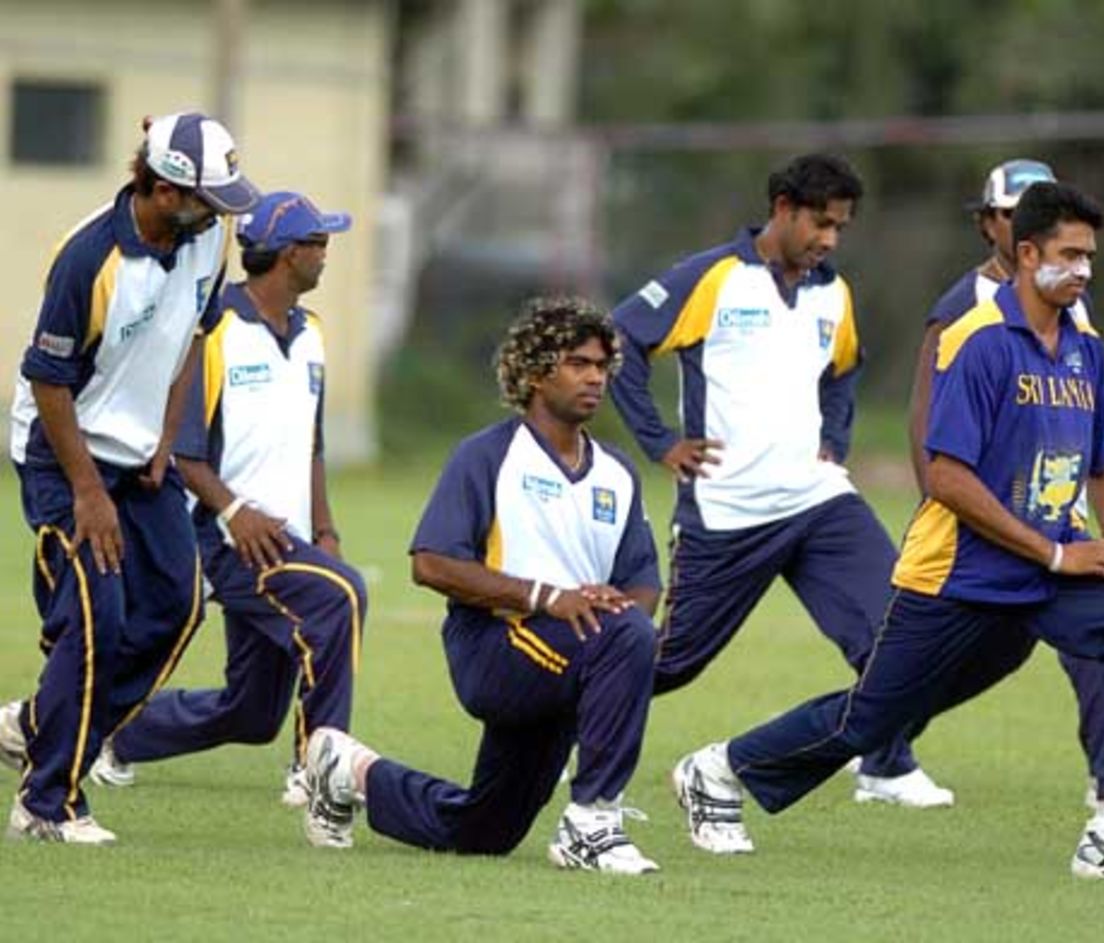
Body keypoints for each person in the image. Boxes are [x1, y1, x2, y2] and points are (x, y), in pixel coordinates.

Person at [672, 182, 1104, 885]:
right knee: (873, 719)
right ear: (1028, 252)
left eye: (1091, 256)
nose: (1084, 270)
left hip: (1047, 566)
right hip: (958, 571)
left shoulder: (1085, 347)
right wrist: (1057, 552)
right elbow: (947, 477)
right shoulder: (974, 340)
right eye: (1070, 255)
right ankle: (717, 768)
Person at [609, 153, 952, 849]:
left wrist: (837, 439)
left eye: (841, 228)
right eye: (822, 223)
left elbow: (844, 371)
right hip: (729, 510)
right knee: (669, 662)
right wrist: (661, 442)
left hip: (819, 500)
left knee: (900, 628)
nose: (830, 239)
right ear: (784, 208)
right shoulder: (711, 276)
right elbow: (619, 339)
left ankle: (886, 763)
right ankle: (558, 728)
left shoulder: (834, 292)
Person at [302, 298, 662, 875]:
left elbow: (643, 579)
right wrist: (548, 598)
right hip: (496, 650)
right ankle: (593, 821)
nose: (595, 376)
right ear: (537, 373)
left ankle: (348, 769)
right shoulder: (488, 455)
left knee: (483, 831)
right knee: (626, 637)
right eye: (577, 362)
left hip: (575, 654)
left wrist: (620, 608)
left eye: (601, 364)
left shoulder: (617, 472)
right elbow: (432, 563)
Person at [0, 111, 260, 844]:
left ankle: (39, 726)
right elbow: (48, 382)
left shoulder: (208, 235)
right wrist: (88, 492)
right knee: (97, 616)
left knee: (176, 607)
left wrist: (168, 437)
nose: (220, 213)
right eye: (208, 198)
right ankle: (48, 804)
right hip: (64, 454)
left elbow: (190, 337)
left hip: (143, 456)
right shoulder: (87, 258)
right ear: (163, 187)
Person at [906, 159, 1104, 815]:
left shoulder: (1069, 303)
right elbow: (928, 423)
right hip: (983, 528)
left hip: (1054, 521)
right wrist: (940, 503)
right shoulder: (965, 309)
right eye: (1007, 211)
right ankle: (880, 745)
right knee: (940, 668)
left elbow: (1096, 436)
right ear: (994, 225)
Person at [80, 191, 366, 808]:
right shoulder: (214, 331)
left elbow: (311, 442)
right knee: (339, 600)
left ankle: (111, 730)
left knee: (252, 711)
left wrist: (325, 527)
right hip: (223, 536)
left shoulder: (312, 332)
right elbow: (182, 451)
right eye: (319, 243)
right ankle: (316, 765)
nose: (326, 255)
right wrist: (236, 513)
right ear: (291, 254)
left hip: (286, 538)